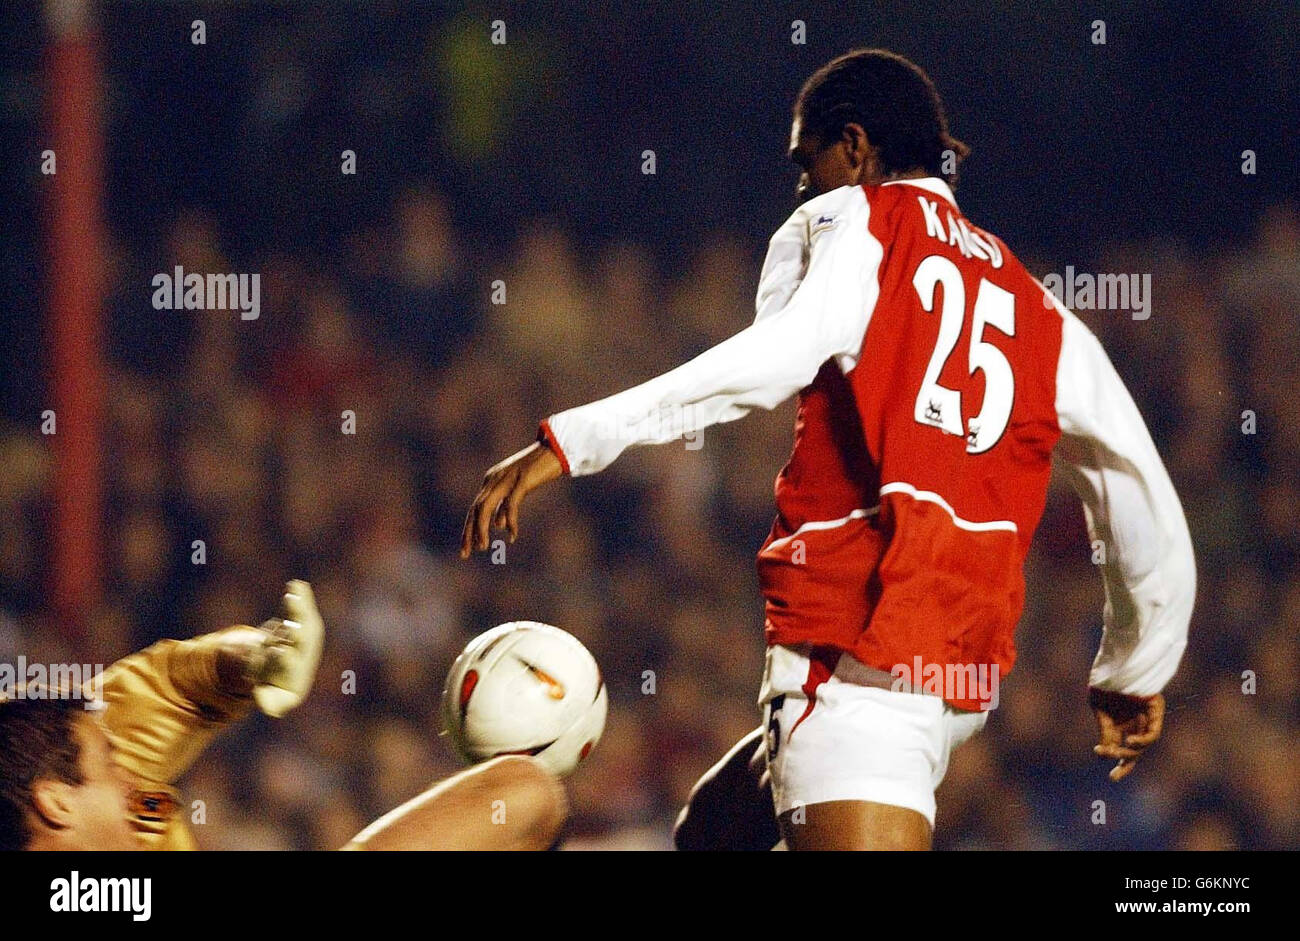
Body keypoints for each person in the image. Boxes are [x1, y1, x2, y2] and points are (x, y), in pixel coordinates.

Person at [460, 49, 1196, 850]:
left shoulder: (855, 220)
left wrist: (573, 438)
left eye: (802, 162)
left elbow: (772, 358)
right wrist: (1135, 668)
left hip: (856, 664)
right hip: (959, 683)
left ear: (852, 148)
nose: (800, 184)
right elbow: (1137, 490)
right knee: (708, 836)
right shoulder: (1036, 303)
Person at [1, 580, 566, 851]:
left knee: (524, 793)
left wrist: (255, 658)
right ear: (56, 803)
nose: (138, 778)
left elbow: (173, 682)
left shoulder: (89, 767)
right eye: (112, 765)